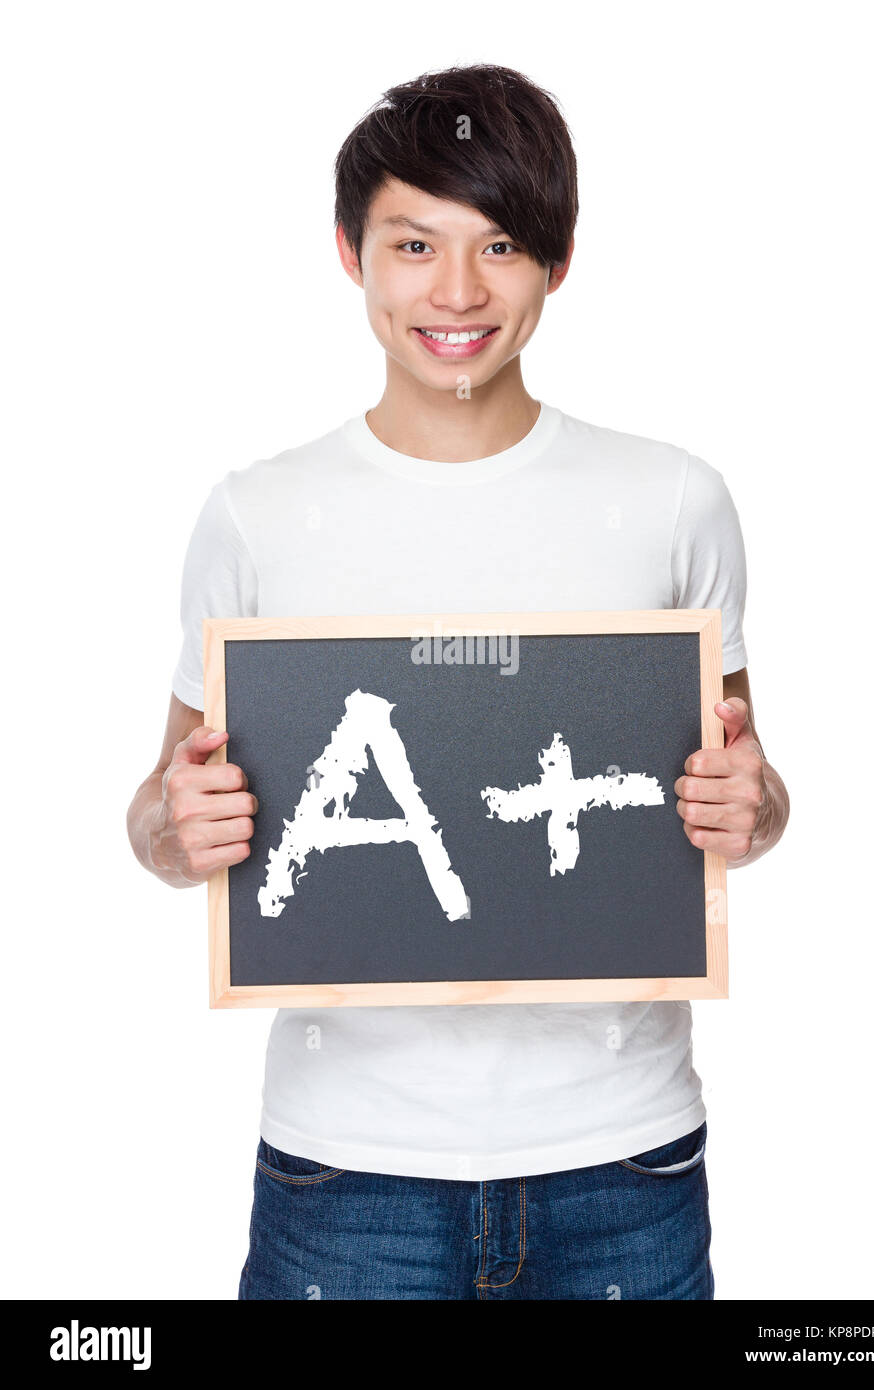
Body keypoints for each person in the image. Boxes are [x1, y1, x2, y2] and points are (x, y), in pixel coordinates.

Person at [126, 63, 789, 1301]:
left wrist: (750, 809)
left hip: (622, 1157)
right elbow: (159, 815)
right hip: (346, 1170)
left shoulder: (672, 500)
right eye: (414, 243)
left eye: (499, 246)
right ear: (350, 252)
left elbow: (748, 790)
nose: (456, 292)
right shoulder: (259, 515)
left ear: (559, 258)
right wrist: (177, 827)